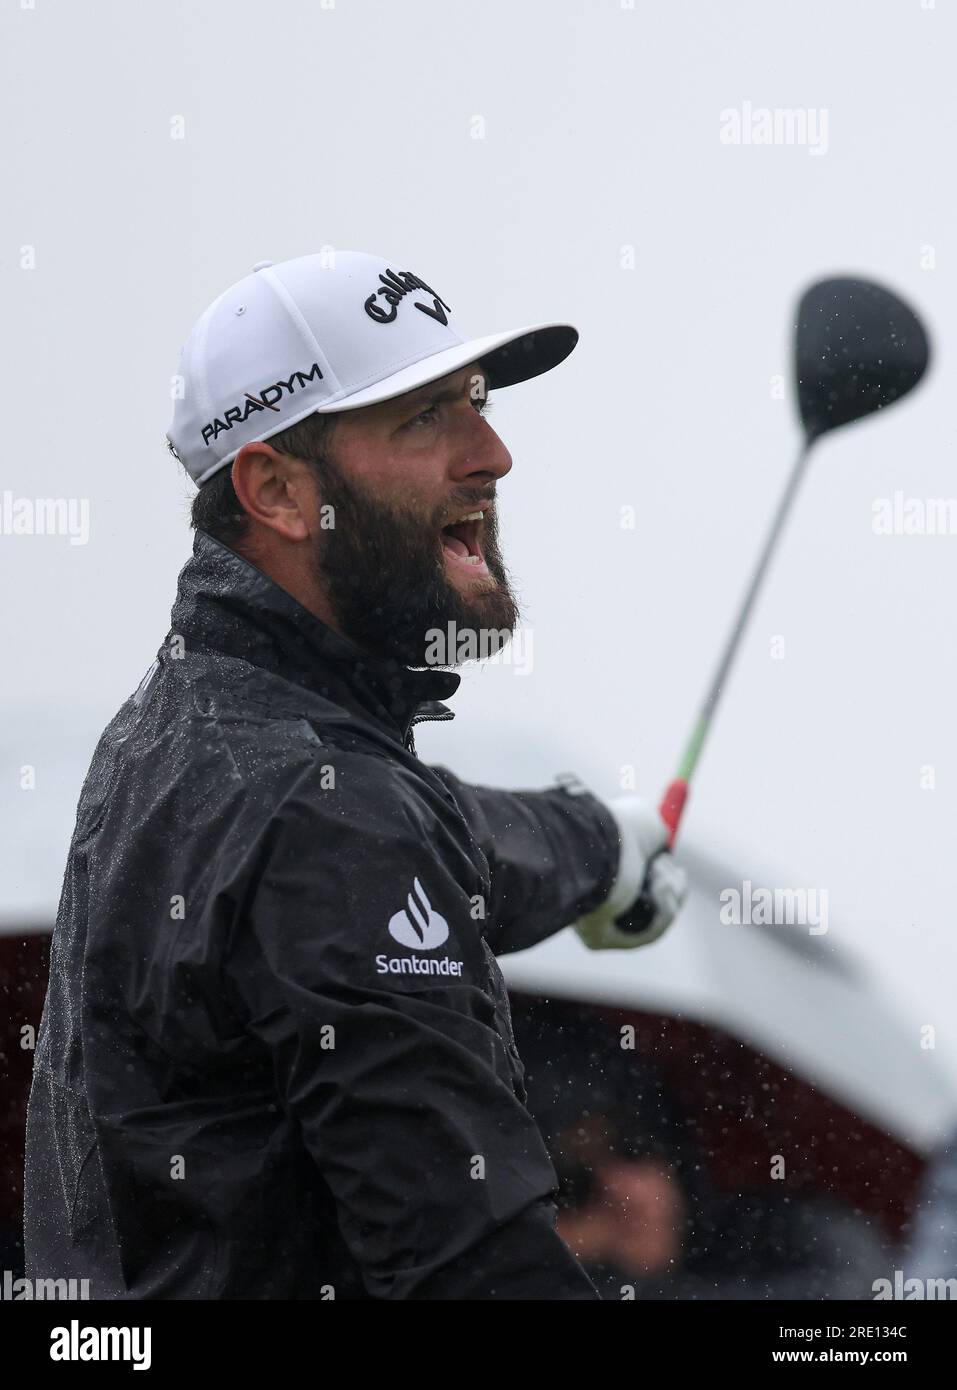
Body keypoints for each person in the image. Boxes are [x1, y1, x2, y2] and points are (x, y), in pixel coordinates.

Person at [23, 250, 687, 1300]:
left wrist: (599, 843)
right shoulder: (324, 811)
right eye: (423, 418)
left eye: (475, 402)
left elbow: (425, 836)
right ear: (277, 491)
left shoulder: (183, 725)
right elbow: (474, 1275)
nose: (493, 454)